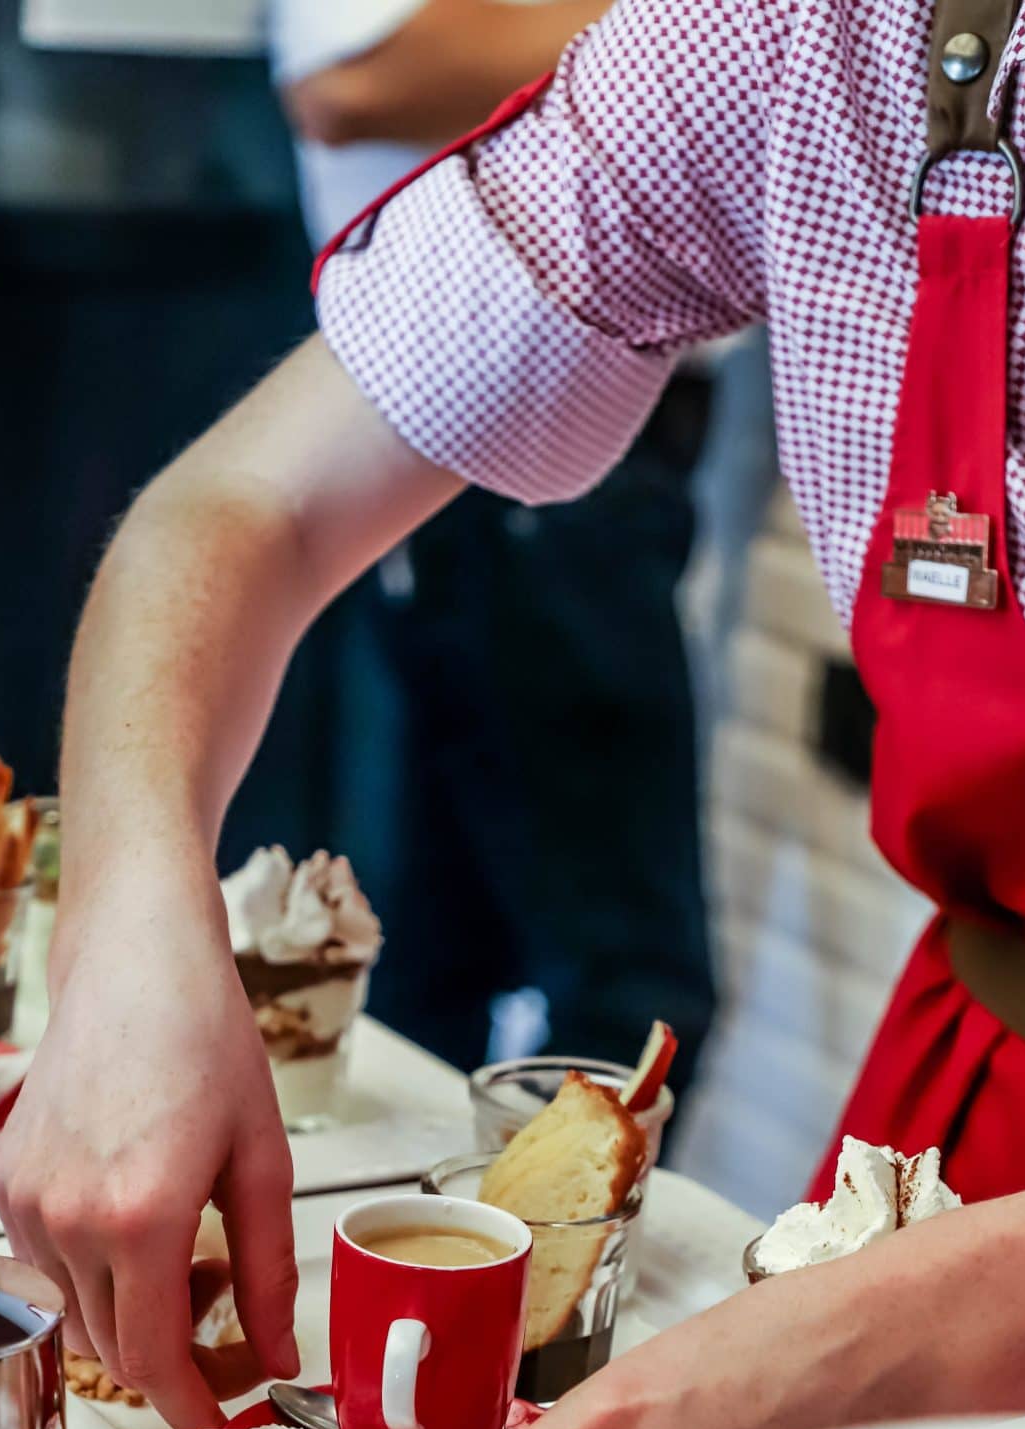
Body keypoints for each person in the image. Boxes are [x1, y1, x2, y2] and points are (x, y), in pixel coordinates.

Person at [0, 0, 1025, 1429]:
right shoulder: (828, 37)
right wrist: (127, 948)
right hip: (961, 1154)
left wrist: (895, 1332)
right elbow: (243, 502)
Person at [271, 0, 718, 1089]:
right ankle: (535, 1209)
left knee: (434, 958)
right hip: (517, 432)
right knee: (628, 986)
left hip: (535, 448)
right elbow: (352, 76)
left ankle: (437, 1206)